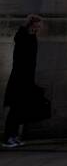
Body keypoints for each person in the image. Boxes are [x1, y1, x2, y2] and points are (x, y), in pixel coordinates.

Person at [3, 14, 43, 148]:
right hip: (19, 79)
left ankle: (13, 135)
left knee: (20, 110)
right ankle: (7, 137)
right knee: (15, 109)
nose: (39, 27)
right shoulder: (23, 36)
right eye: (37, 24)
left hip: (26, 78)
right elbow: (21, 59)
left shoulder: (32, 37)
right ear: (31, 24)